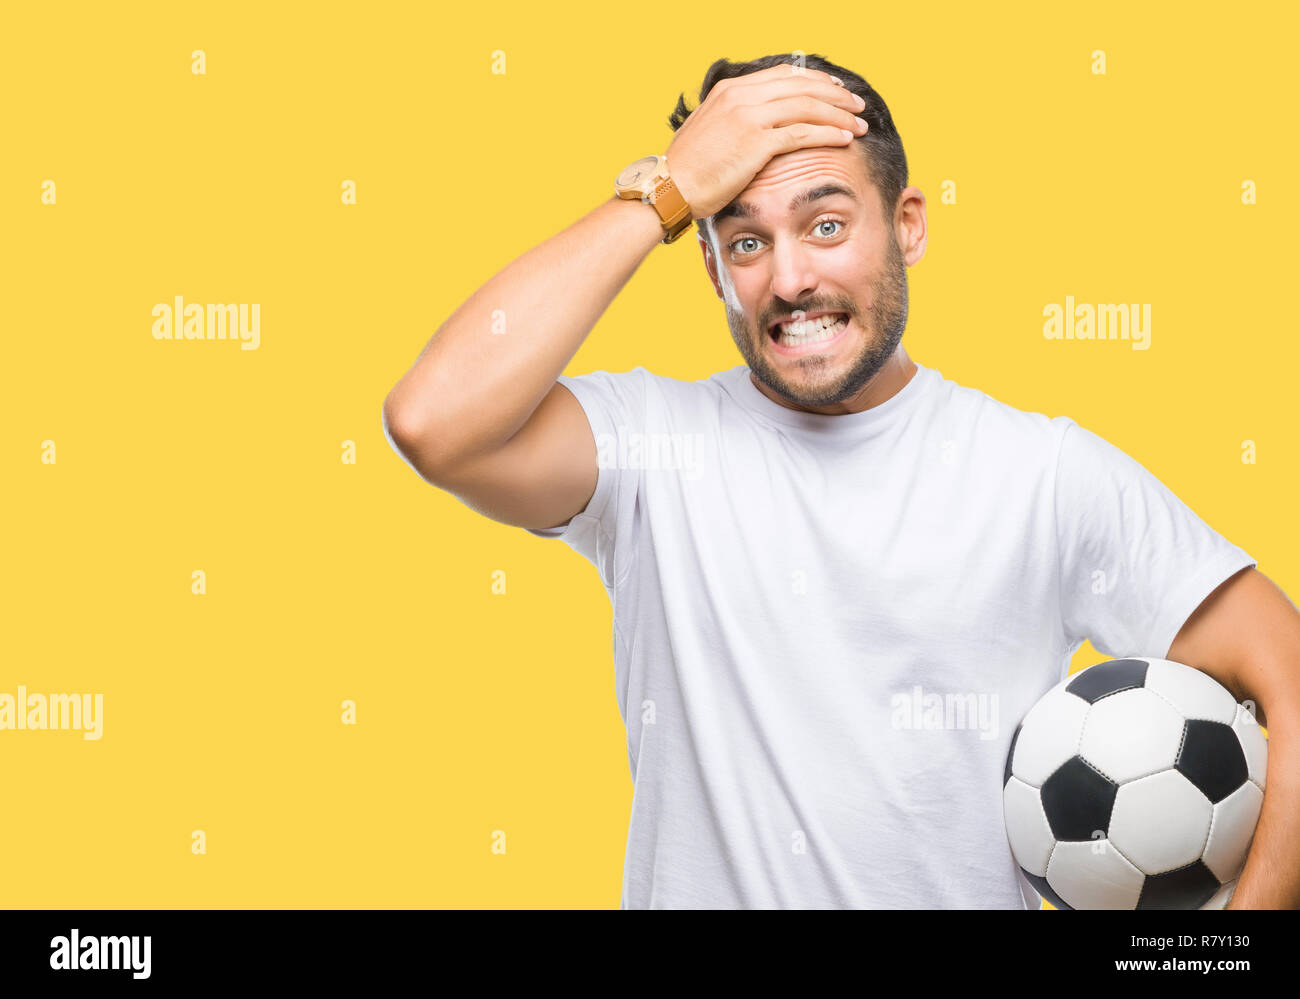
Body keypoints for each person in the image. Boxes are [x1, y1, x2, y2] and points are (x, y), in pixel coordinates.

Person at [381, 53, 1256, 908]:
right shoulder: (650, 447)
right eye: (746, 241)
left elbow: (1282, 677)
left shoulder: (1042, 473)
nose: (791, 279)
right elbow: (433, 421)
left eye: (827, 225)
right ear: (713, 268)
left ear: (908, 225)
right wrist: (667, 191)